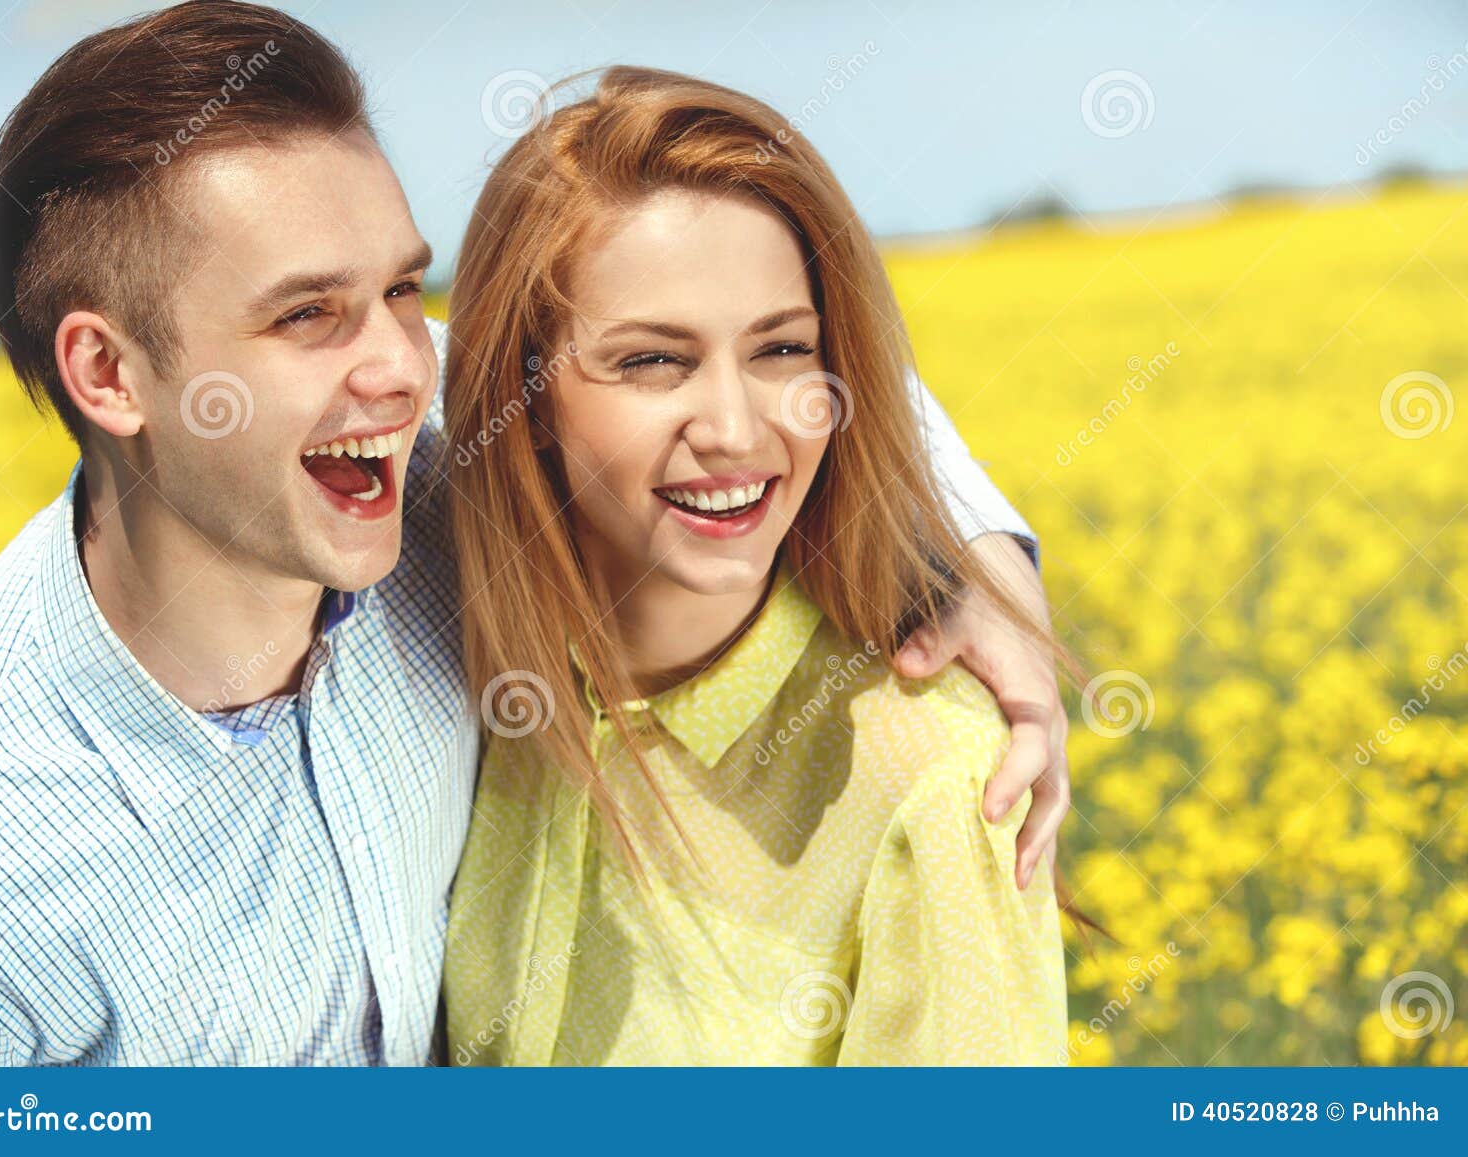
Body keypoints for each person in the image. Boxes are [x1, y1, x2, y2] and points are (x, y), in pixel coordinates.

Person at [0, 3, 1067, 1066]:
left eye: (402, 288)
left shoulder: (426, 467)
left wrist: (981, 560)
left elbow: (736, 349)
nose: (403, 365)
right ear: (109, 373)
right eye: (308, 313)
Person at [442, 67, 1079, 1065]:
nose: (736, 431)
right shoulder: (455, 665)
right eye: (652, 360)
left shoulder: (939, 782)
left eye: (781, 349)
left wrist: (993, 564)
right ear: (521, 392)